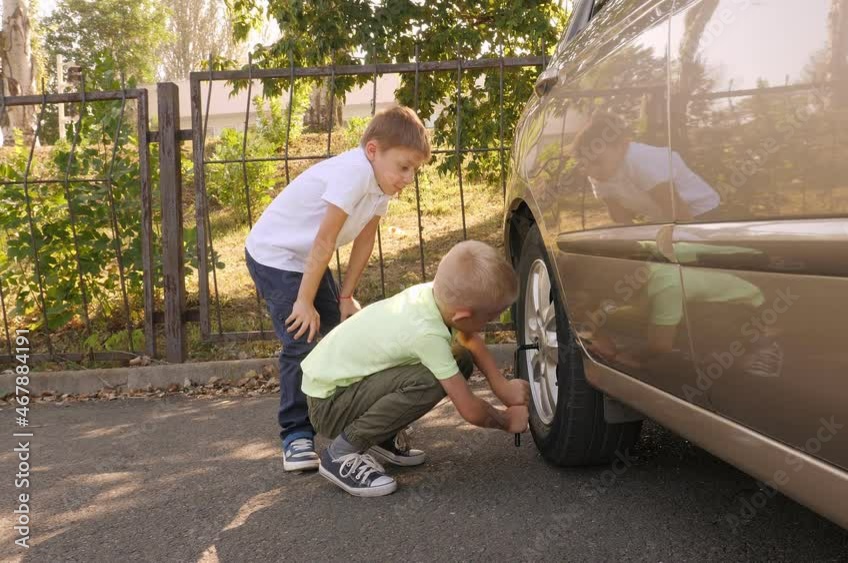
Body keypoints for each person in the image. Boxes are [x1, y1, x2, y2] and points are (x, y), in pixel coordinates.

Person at [245, 106, 431, 472]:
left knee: (342, 339)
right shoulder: (354, 172)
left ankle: (367, 431)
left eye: (414, 170)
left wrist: (345, 298)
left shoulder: (381, 183)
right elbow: (324, 241)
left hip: (306, 258)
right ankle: (296, 435)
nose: (408, 177)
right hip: (276, 255)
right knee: (303, 337)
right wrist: (303, 302)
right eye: (404, 166)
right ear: (373, 150)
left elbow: (365, 241)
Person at [300, 240, 530, 497]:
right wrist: (506, 420)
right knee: (432, 378)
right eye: (490, 317)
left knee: (459, 358)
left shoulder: (434, 296)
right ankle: (341, 453)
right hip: (329, 405)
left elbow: (468, 338)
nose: (493, 322)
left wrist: (501, 386)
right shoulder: (426, 333)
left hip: (343, 388)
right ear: (463, 316)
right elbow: (470, 409)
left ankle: (380, 436)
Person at [571, 112, 721, 223]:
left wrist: (689, 244)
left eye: (597, 162)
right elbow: (619, 217)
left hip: (700, 211)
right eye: (585, 164)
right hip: (662, 216)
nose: (591, 171)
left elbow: (678, 210)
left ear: (622, 146)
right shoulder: (597, 175)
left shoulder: (640, 160)